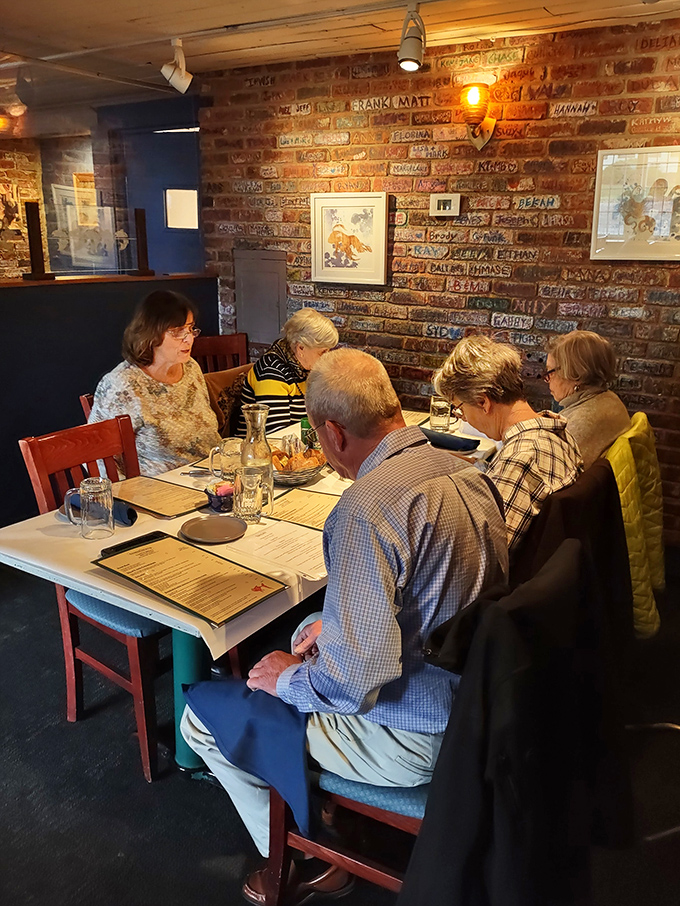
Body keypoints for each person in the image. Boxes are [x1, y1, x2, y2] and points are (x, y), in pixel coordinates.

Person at [181, 348, 508, 904]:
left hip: (417, 736)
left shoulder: (364, 509)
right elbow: (433, 600)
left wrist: (286, 681)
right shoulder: (467, 471)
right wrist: (331, 629)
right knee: (309, 626)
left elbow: (354, 680)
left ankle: (304, 859)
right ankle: (325, 801)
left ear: (331, 433)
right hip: (481, 700)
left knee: (203, 720)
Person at [434, 334, 583, 555]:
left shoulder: (521, 458)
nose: (463, 417)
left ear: (483, 402)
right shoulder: (559, 433)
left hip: (512, 585)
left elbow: (485, 557)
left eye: (460, 410)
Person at [89, 290, 220, 476]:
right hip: (158, 492)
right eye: (177, 332)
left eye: (190, 329)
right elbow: (97, 458)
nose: (189, 338)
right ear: (151, 335)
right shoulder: (123, 384)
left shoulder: (191, 368)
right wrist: (125, 501)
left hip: (209, 479)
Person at [237, 308, 338, 435]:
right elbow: (277, 433)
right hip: (261, 449)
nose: (326, 357)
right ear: (301, 348)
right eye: (322, 352)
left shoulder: (306, 367)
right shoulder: (271, 371)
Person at [545, 330, 631, 469]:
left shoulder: (581, 423)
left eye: (550, 372)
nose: (546, 379)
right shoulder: (609, 399)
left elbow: (549, 473)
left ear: (575, 375)